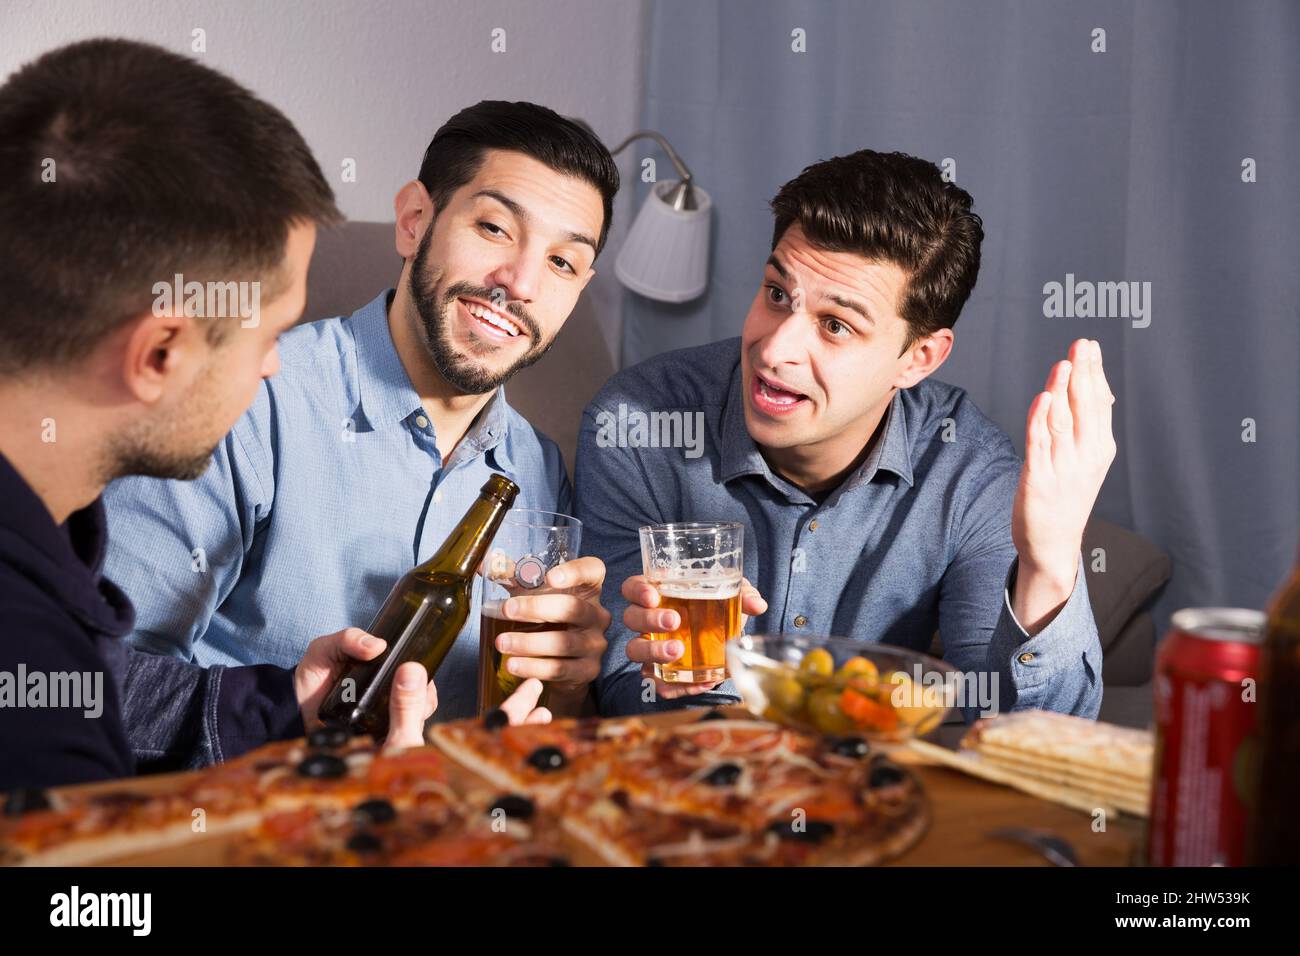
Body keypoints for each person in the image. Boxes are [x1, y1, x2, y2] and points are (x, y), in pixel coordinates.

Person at [0, 39, 547, 790]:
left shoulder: (48, 564)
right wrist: (385, 825)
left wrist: (279, 704)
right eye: (263, 337)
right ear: (160, 355)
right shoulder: (42, 711)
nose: (275, 362)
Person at [101, 99, 618, 721]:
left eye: (562, 262)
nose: (522, 283)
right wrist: (281, 709)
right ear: (415, 221)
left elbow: (538, 722)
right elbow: (98, 678)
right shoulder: (245, 402)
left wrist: (566, 687)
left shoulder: (538, 468)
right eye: (494, 228)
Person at [577, 149, 1115, 720]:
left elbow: (1022, 734)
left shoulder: (969, 472)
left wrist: (1050, 565)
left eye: (835, 326)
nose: (775, 349)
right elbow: (622, 688)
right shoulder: (638, 424)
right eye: (777, 294)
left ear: (919, 358)